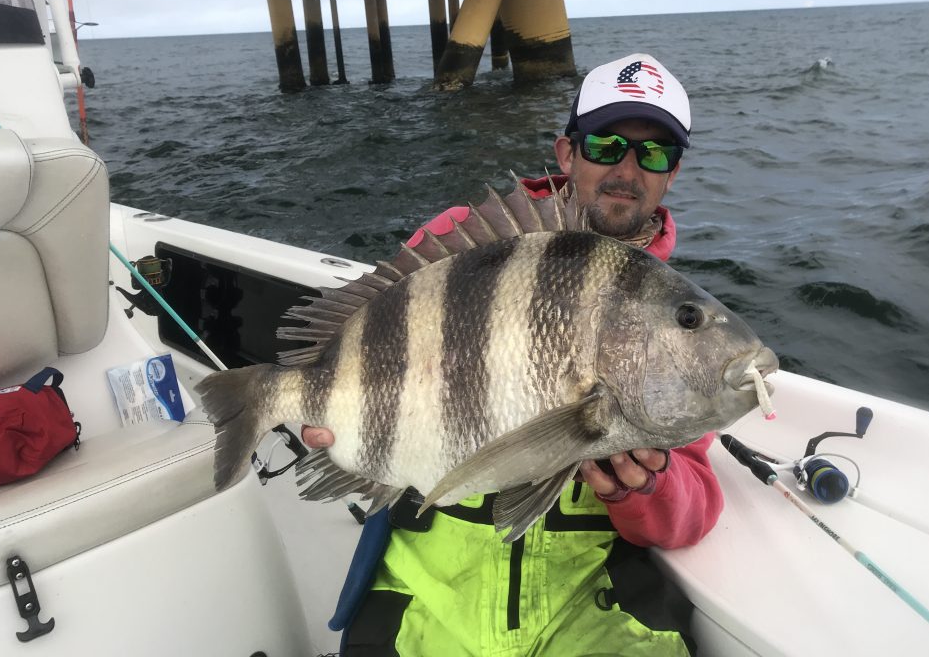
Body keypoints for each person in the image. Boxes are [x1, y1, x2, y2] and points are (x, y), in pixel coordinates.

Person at [304, 53, 721, 656]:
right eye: (606, 145)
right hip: (428, 590)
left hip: (585, 599)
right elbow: (380, 336)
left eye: (654, 154)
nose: (628, 169)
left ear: (671, 174)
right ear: (567, 153)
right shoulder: (462, 241)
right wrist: (335, 421)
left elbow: (693, 509)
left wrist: (646, 487)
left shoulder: (671, 319)